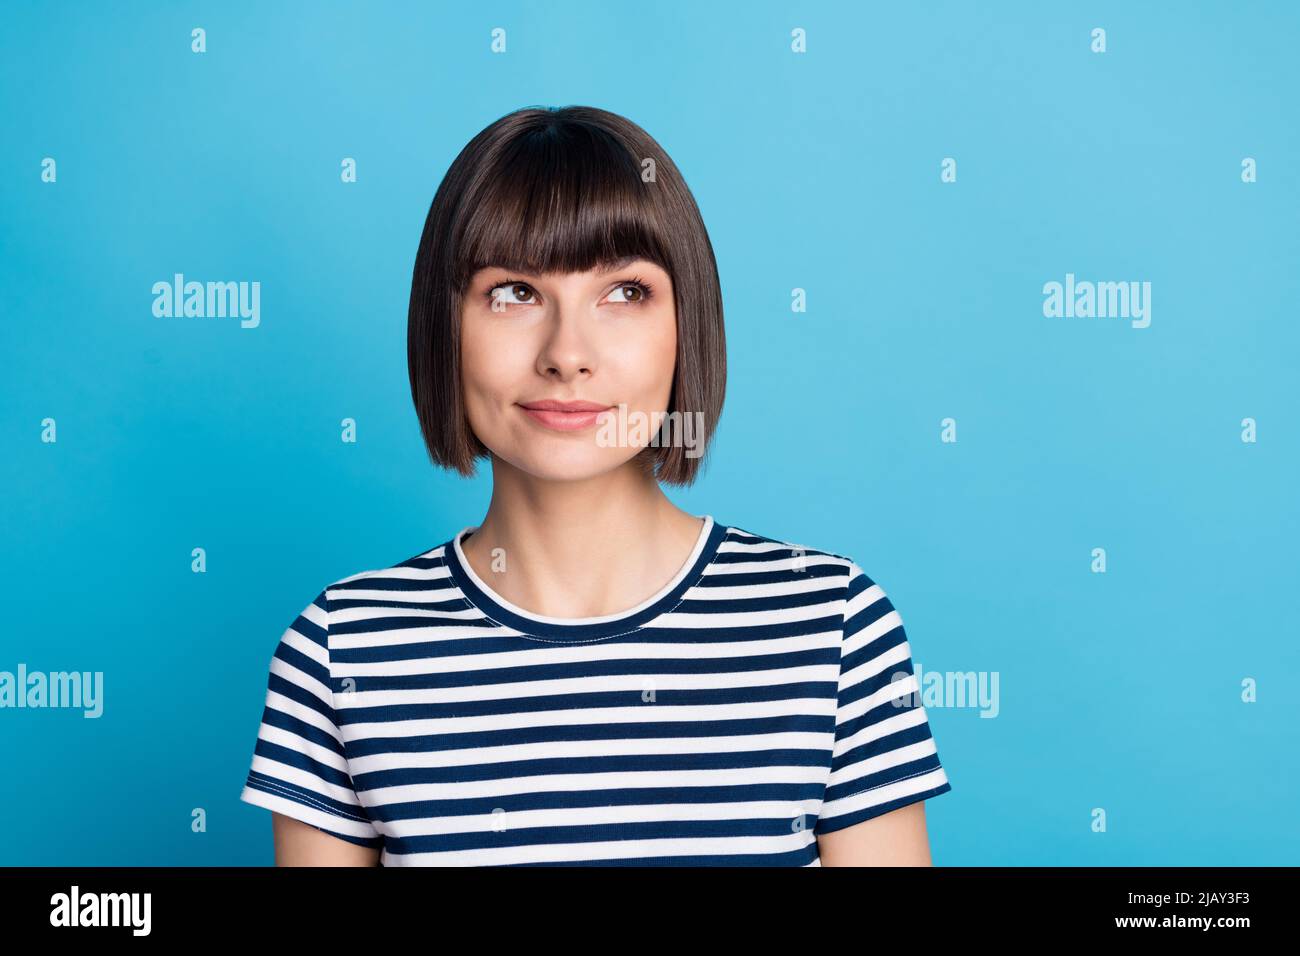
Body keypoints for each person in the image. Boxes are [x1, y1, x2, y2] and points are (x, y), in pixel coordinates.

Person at [238, 105, 952, 866]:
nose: (567, 354)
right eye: (513, 293)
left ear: (688, 325)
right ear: (443, 328)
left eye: (624, 292)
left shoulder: (832, 625)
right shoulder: (345, 648)